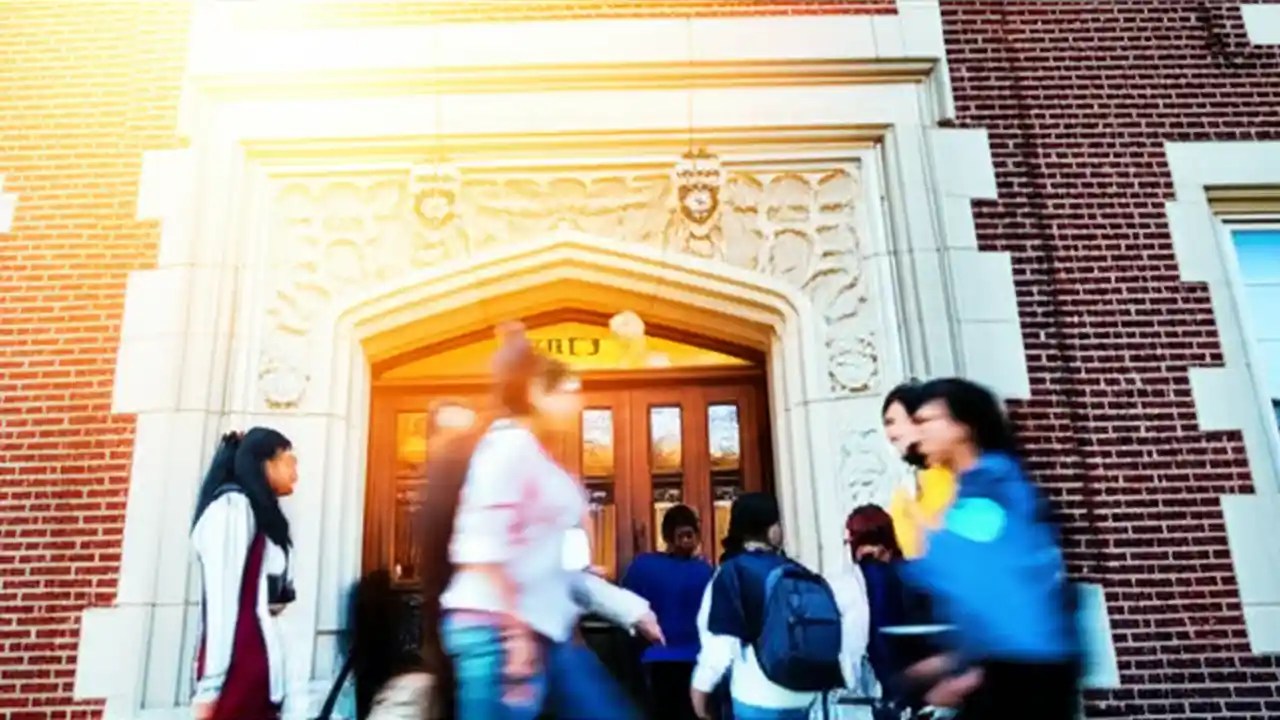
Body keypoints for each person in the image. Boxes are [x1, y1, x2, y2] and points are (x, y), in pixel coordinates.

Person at [419, 322, 663, 720]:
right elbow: (481, 547)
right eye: (569, 391)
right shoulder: (508, 447)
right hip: (498, 634)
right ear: (536, 393)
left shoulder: (535, 455)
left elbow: (550, 560)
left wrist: (625, 607)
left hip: (545, 631)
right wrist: (515, 634)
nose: (578, 401)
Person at [901, 378, 1080, 718]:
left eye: (926, 421)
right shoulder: (979, 486)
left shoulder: (993, 485)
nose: (917, 433)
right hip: (1017, 664)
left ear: (963, 427)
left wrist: (970, 669)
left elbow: (974, 575)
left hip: (1024, 670)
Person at [691, 493, 843, 720]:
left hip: (757, 695)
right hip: (806, 697)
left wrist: (700, 691)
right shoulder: (797, 570)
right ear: (770, 528)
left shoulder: (732, 572)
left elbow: (720, 644)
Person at [190, 428, 299, 720]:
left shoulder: (254, 514)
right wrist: (211, 686)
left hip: (257, 670)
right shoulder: (231, 510)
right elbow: (221, 600)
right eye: (290, 461)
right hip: (237, 672)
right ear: (267, 462)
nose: (296, 473)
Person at [622, 504, 715, 720]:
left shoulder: (643, 566)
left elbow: (626, 606)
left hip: (656, 661)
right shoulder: (706, 572)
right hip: (697, 661)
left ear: (665, 535)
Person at [882, 381, 957, 561]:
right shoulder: (909, 485)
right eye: (886, 424)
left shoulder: (953, 477)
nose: (890, 433)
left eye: (893, 422)